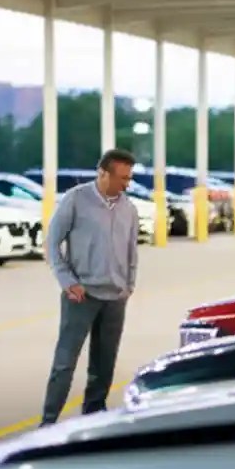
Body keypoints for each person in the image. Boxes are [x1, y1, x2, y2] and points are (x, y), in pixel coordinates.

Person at [39, 148, 139, 425]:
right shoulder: (76, 200)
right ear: (103, 173)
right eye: (121, 177)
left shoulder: (129, 208)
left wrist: (128, 285)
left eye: (129, 178)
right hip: (81, 296)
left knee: (103, 366)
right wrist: (68, 281)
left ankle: (94, 416)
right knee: (64, 363)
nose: (126, 184)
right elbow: (51, 244)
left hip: (115, 297)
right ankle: (48, 421)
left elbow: (132, 251)